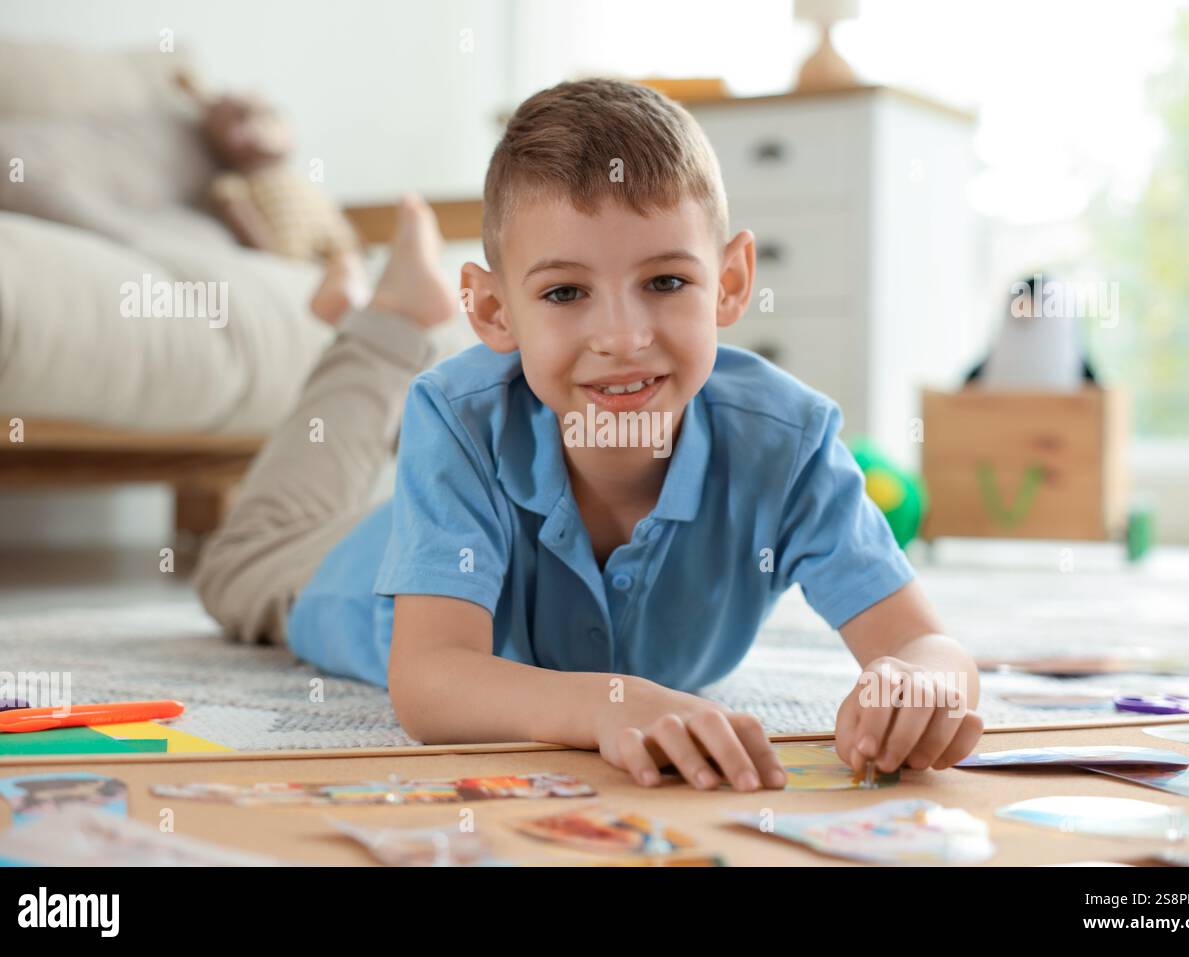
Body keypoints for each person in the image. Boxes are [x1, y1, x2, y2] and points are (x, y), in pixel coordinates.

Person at [197, 78, 983, 791]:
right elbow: (431, 680)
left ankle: (384, 306)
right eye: (566, 291)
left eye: (666, 282)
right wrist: (612, 701)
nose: (622, 335)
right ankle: (387, 321)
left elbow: (928, 647)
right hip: (334, 568)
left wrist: (918, 682)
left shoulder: (789, 442)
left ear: (732, 282)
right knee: (243, 557)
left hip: (423, 520)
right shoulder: (459, 415)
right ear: (495, 311)